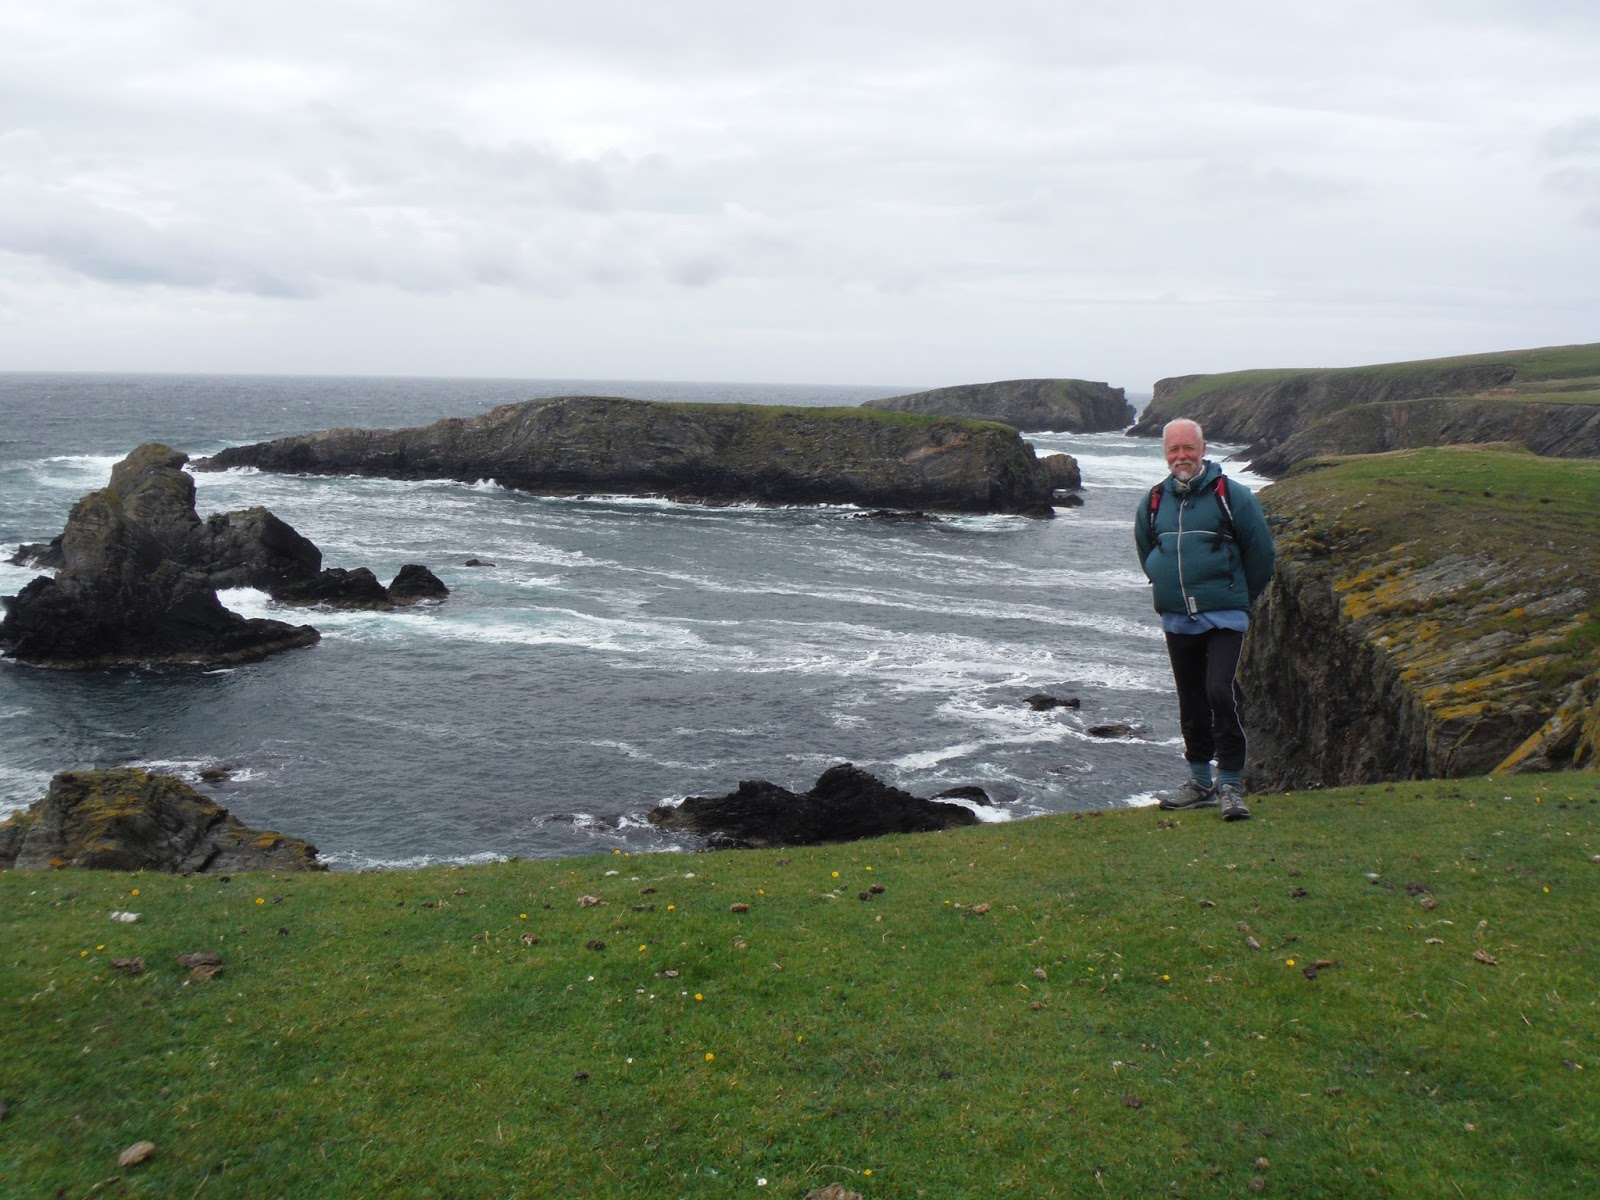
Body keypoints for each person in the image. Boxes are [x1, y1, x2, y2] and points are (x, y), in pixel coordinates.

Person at [1133, 418, 1275, 821]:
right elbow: (1147, 550)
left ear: (1203, 448)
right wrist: (1166, 585)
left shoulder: (1232, 495)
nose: (1182, 457)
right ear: (1166, 454)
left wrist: (1238, 597)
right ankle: (1199, 783)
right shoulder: (1155, 500)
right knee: (1191, 700)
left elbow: (1261, 554)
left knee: (1218, 692)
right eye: (1174, 450)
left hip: (1225, 616)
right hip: (1178, 618)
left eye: (1188, 449)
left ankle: (1230, 783)